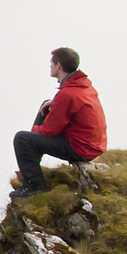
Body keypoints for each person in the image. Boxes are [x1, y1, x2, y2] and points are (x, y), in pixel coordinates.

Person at [13, 47, 106, 197]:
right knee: (45, 107)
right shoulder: (82, 86)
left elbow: (50, 131)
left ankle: (35, 186)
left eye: (52, 63)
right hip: (91, 145)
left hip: (81, 149)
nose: (50, 66)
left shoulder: (66, 94)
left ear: (59, 66)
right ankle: (30, 173)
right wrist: (54, 103)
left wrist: (35, 132)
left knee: (22, 138)